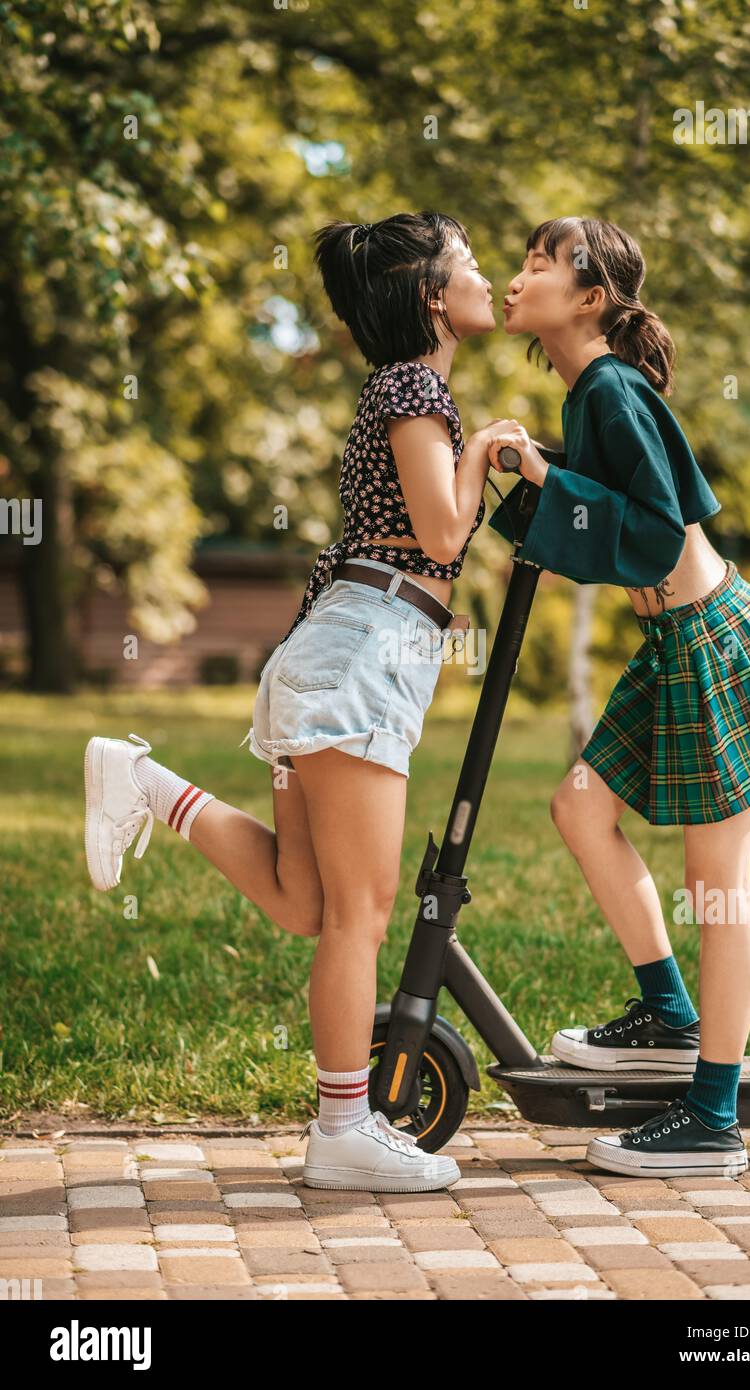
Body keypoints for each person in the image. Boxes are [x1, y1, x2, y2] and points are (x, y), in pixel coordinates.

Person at [83, 211, 501, 1192]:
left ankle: (144, 782)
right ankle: (343, 1129)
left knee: (308, 900)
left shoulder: (409, 386)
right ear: (433, 295)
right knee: (359, 909)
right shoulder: (412, 385)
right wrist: (485, 446)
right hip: (360, 657)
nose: (487, 275)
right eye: (472, 262)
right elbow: (442, 536)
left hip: (336, 655)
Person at [485, 215, 750, 1178]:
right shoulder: (588, 391)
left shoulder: (608, 385)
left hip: (714, 642)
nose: (517, 279)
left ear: (590, 298)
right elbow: (601, 523)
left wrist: (538, 477)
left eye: (539, 264)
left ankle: (713, 1117)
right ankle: (671, 1014)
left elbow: (653, 521)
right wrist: (537, 479)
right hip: (674, 641)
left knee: (718, 890)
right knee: (579, 805)